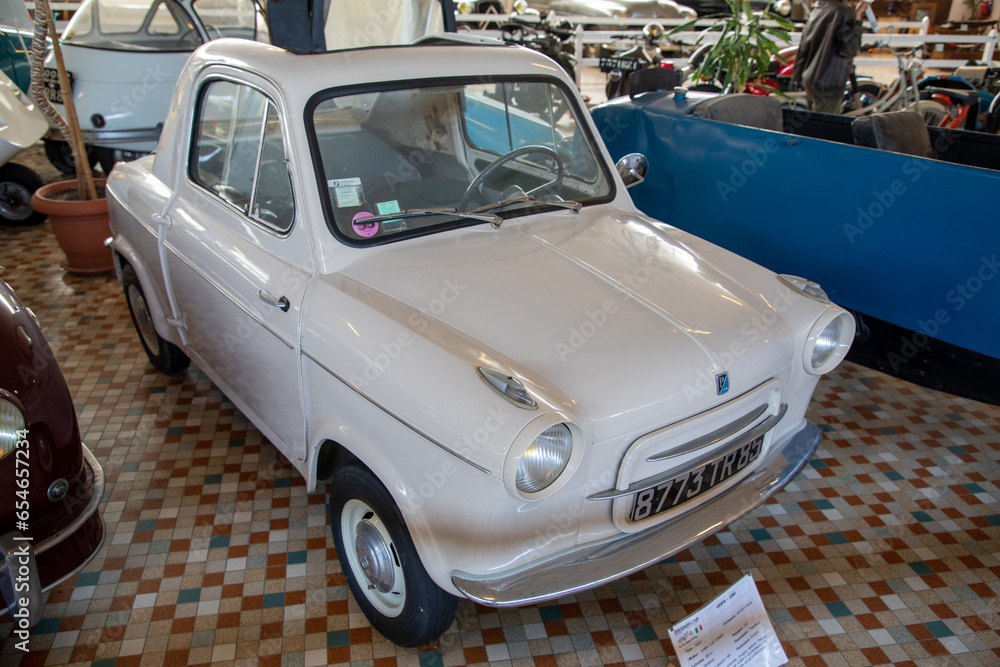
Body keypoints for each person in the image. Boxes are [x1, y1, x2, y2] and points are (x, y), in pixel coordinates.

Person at [793, 0, 866, 113]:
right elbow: (851, 47)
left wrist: (797, 74)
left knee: (814, 123)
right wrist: (858, 17)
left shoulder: (819, 7)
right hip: (830, 81)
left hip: (812, 78)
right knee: (825, 126)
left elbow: (804, 44)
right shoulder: (843, 10)